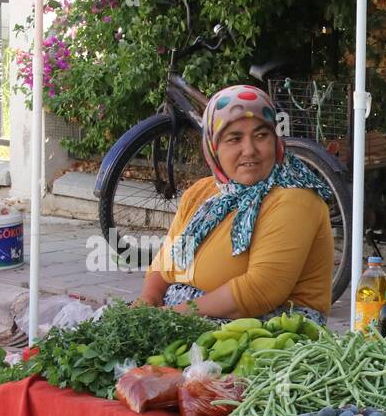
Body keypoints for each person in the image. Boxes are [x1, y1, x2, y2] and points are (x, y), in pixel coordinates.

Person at [140, 84, 334, 324]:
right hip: (184, 316)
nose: (249, 150)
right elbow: (165, 262)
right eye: (234, 139)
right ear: (213, 147)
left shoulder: (295, 198)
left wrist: (168, 315)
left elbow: (260, 291)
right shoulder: (203, 193)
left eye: (261, 135)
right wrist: (147, 302)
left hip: (266, 331)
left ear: (276, 140)